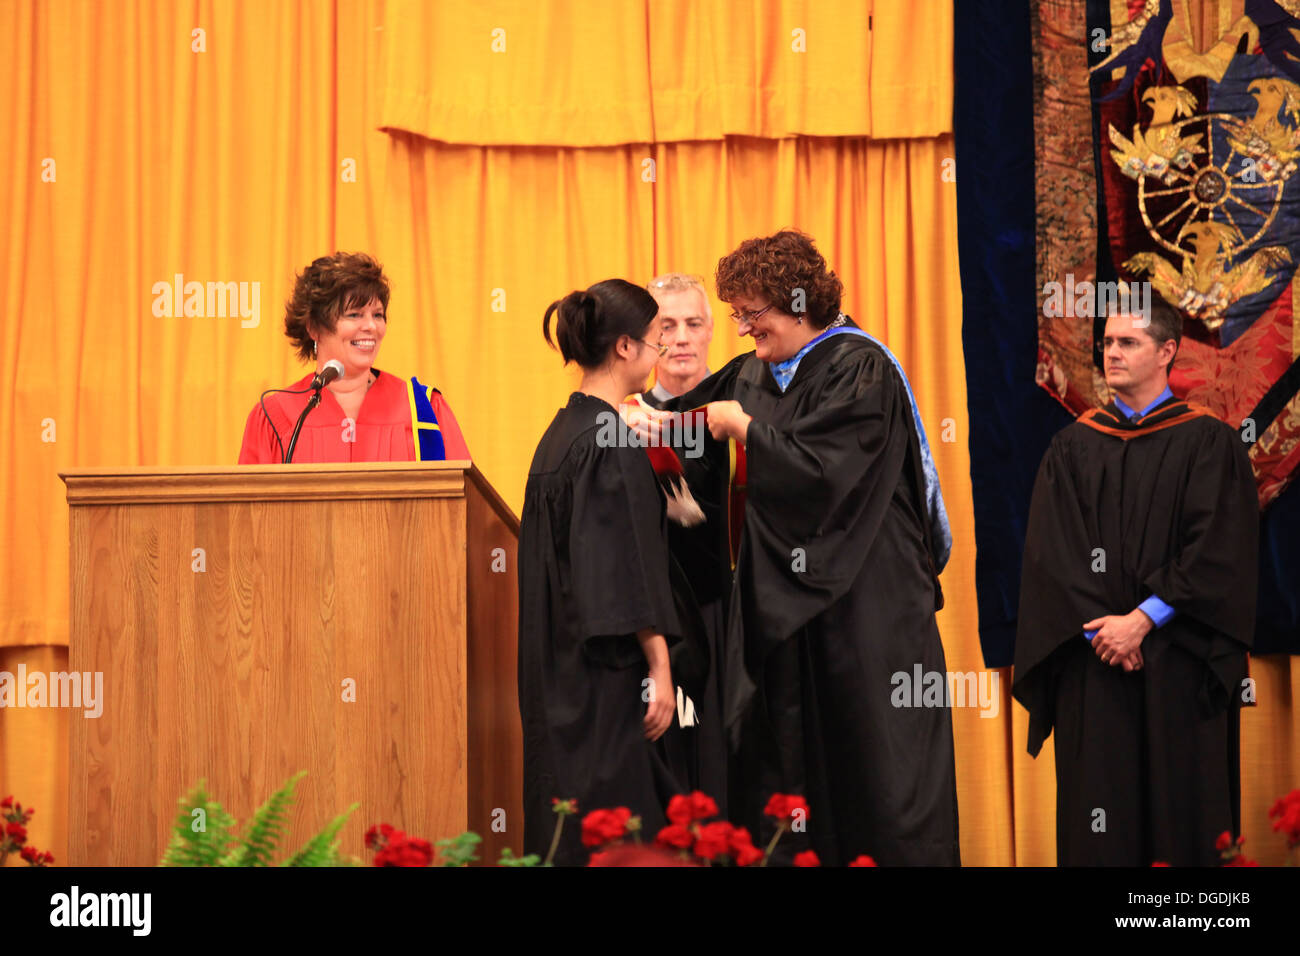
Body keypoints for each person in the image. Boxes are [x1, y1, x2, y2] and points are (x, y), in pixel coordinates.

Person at [656, 230, 959, 866]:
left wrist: (750, 431)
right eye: (736, 314)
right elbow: (693, 424)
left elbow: (828, 473)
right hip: (795, 618)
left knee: (878, 776)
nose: (743, 329)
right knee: (794, 782)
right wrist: (646, 422)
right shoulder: (754, 372)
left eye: (751, 312)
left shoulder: (860, 367)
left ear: (798, 301)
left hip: (869, 613)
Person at [1013, 297, 1257, 866]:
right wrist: (1111, 632)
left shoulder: (1209, 442)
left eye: (1128, 342)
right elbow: (1055, 557)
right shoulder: (1074, 446)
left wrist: (1144, 619)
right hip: (1095, 662)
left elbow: (1220, 553)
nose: (1112, 352)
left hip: (1180, 659)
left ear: (1167, 351)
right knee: (1102, 824)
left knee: (1185, 817)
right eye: (1107, 342)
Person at [517, 279, 705, 866]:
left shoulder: (558, 436)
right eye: (654, 341)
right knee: (619, 835)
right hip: (605, 681)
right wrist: (660, 666)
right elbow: (619, 573)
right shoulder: (610, 441)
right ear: (625, 347)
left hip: (557, 673)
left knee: (567, 826)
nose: (661, 353)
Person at [238, 251, 469, 463]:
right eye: (354, 314)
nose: (371, 326)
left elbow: (463, 501)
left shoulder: (423, 409)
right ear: (314, 328)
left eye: (377, 315)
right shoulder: (275, 416)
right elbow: (249, 507)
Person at [641, 273, 715, 406]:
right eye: (667, 326)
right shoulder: (626, 420)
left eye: (694, 324)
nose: (682, 339)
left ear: (710, 329)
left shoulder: (743, 408)